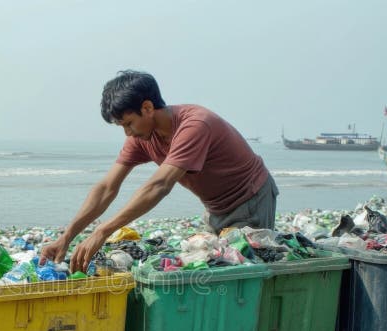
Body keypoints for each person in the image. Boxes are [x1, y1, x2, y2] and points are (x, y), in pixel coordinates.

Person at [40, 70, 278, 273]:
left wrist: (102, 231)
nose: (127, 133)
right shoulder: (142, 136)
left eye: (128, 123)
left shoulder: (194, 125)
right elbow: (106, 188)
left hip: (250, 200)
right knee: (209, 265)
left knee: (238, 273)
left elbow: (159, 185)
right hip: (214, 208)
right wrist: (67, 237)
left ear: (147, 108)